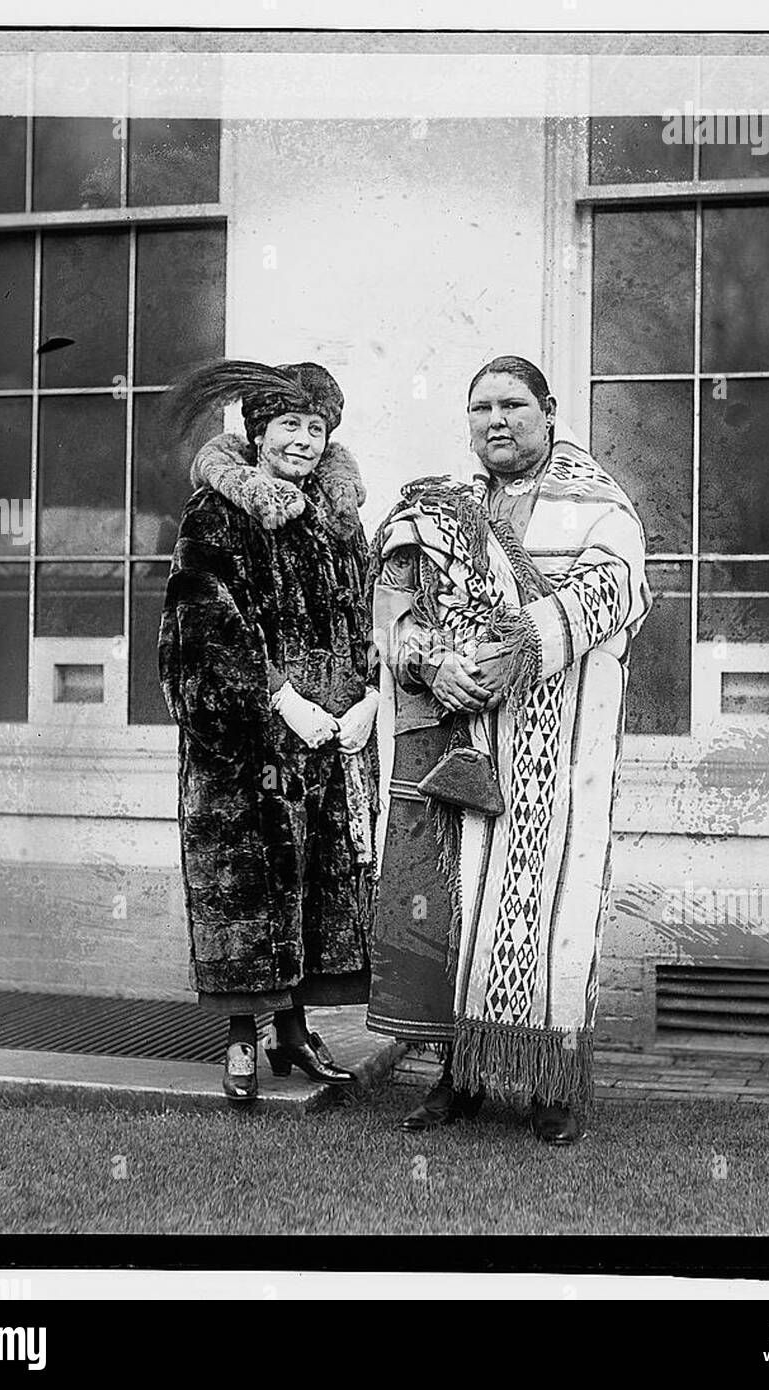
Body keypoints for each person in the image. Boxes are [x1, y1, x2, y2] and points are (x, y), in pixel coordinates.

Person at [367, 355, 650, 1144]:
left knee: (552, 916)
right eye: (481, 407)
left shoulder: (598, 506)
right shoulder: (446, 510)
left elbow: (611, 591)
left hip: (558, 746)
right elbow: (400, 613)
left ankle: (551, 1090)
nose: (496, 420)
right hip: (463, 745)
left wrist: (507, 652)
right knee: (462, 918)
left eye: (513, 405)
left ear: (549, 412)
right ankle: (458, 1078)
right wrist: (433, 665)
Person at [159, 360, 379, 1102]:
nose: (304, 441)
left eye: (317, 428)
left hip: (326, 748)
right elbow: (203, 628)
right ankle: (240, 1042)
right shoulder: (215, 516)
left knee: (312, 891)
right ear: (257, 434)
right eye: (289, 425)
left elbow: (367, 620)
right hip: (245, 750)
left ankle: (293, 1036)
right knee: (248, 890)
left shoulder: (341, 525)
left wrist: (365, 702)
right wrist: (280, 700)